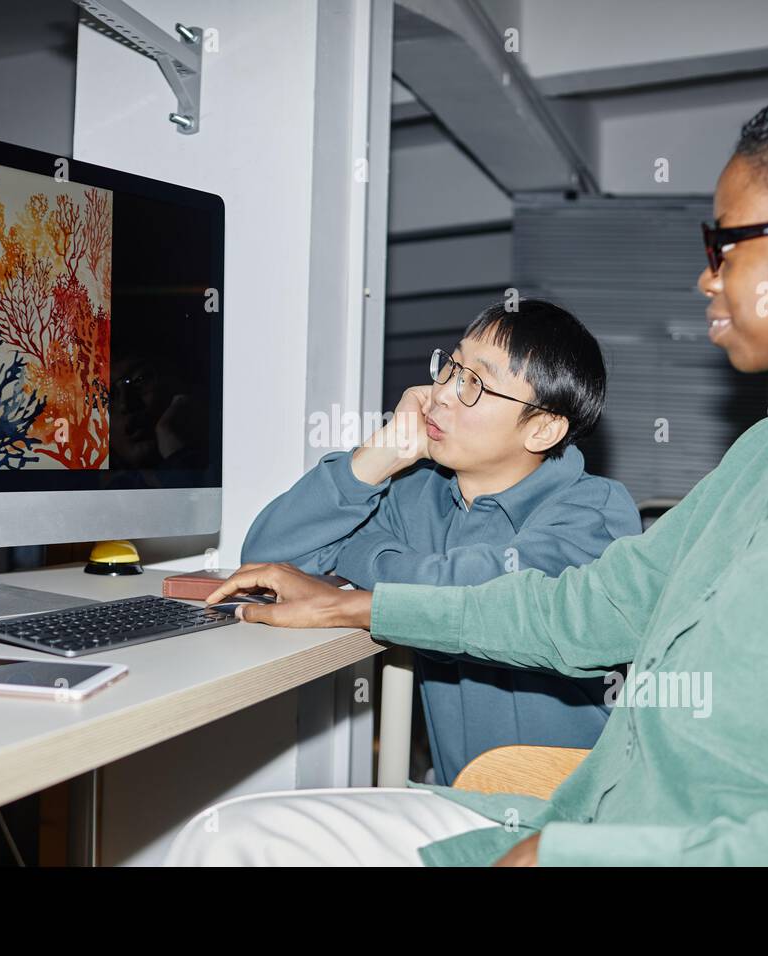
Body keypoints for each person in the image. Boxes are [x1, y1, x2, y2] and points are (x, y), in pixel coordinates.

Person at [164, 69, 768, 866]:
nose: (703, 278)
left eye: (725, 244)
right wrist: (353, 602)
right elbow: (590, 610)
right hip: (577, 818)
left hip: (607, 850)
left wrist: (578, 860)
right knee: (235, 840)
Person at [240, 298, 641, 785]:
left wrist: (364, 554)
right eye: (451, 367)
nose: (442, 394)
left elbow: (480, 598)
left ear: (541, 428)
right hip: (458, 798)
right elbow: (265, 560)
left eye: (475, 383)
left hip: (574, 811)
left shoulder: (594, 512)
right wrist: (382, 455)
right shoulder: (416, 492)